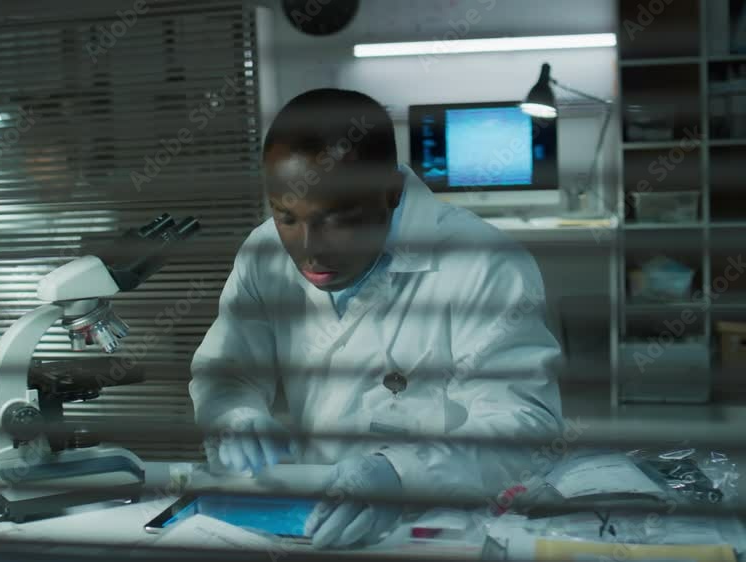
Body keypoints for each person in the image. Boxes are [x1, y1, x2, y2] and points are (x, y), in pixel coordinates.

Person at [188, 88, 564, 549]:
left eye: (337, 218)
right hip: (314, 523)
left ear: (390, 192)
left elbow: (523, 421)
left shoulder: (483, 263)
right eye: (287, 217)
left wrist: (399, 475)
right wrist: (234, 414)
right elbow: (228, 370)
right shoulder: (264, 253)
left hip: (448, 530)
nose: (309, 249)